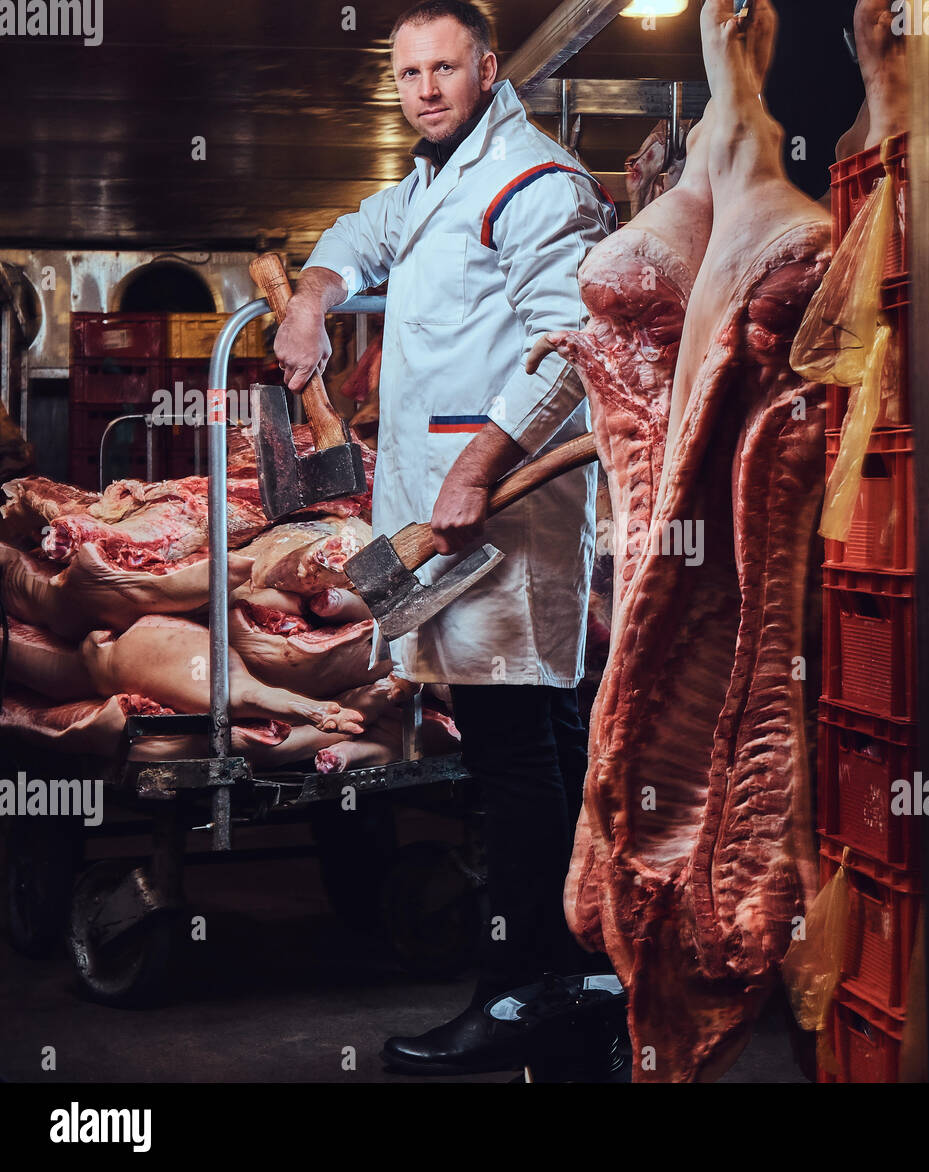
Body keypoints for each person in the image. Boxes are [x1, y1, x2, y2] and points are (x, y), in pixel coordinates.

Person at [274, 0, 617, 1075]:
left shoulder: (535, 180)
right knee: (542, 740)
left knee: (516, 757)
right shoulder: (434, 179)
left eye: (443, 68)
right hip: (440, 519)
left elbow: (571, 344)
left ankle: (516, 993)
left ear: (486, 68)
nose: (423, 88)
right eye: (407, 72)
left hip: (504, 510)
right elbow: (358, 232)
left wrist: (476, 467)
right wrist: (312, 299)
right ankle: (581, 980)